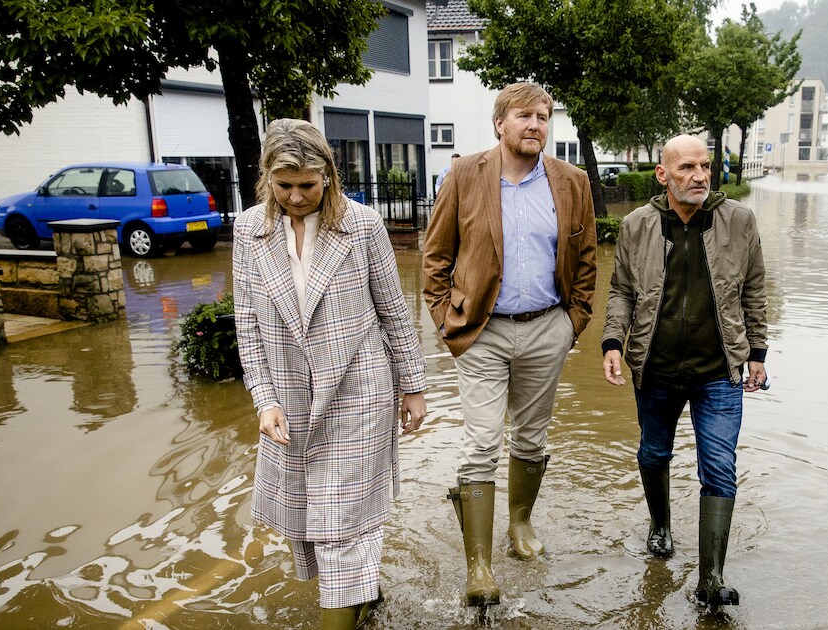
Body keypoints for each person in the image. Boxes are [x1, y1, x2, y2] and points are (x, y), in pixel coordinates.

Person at [233, 118, 428, 629]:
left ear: (329, 177)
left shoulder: (361, 225)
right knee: (310, 521)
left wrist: (413, 387)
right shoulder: (249, 231)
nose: (296, 197)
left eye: (308, 185)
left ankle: (340, 613)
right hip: (289, 400)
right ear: (266, 179)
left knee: (340, 522)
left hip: (359, 392)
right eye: (284, 185)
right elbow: (248, 326)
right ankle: (363, 594)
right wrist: (264, 400)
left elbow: (393, 310)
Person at [422, 82, 597, 606]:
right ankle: (478, 566)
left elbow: (586, 259)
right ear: (499, 123)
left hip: (548, 326)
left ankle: (519, 522)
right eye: (524, 115)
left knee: (531, 438)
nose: (535, 124)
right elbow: (434, 258)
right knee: (480, 444)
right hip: (482, 330)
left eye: (544, 115)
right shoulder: (464, 175)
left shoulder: (573, 182)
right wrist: (447, 320)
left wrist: (574, 321)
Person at [601, 134, 768, 607]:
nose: (698, 176)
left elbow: (754, 290)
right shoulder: (636, 225)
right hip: (654, 366)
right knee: (654, 453)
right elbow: (621, 292)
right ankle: (660, 525)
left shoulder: (739, 221)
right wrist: (613, 341)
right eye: (686, 168)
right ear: (663, 174)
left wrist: (758, 351)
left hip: (720, 368)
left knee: (719, 469)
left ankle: (711, 578)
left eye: (704, 166)